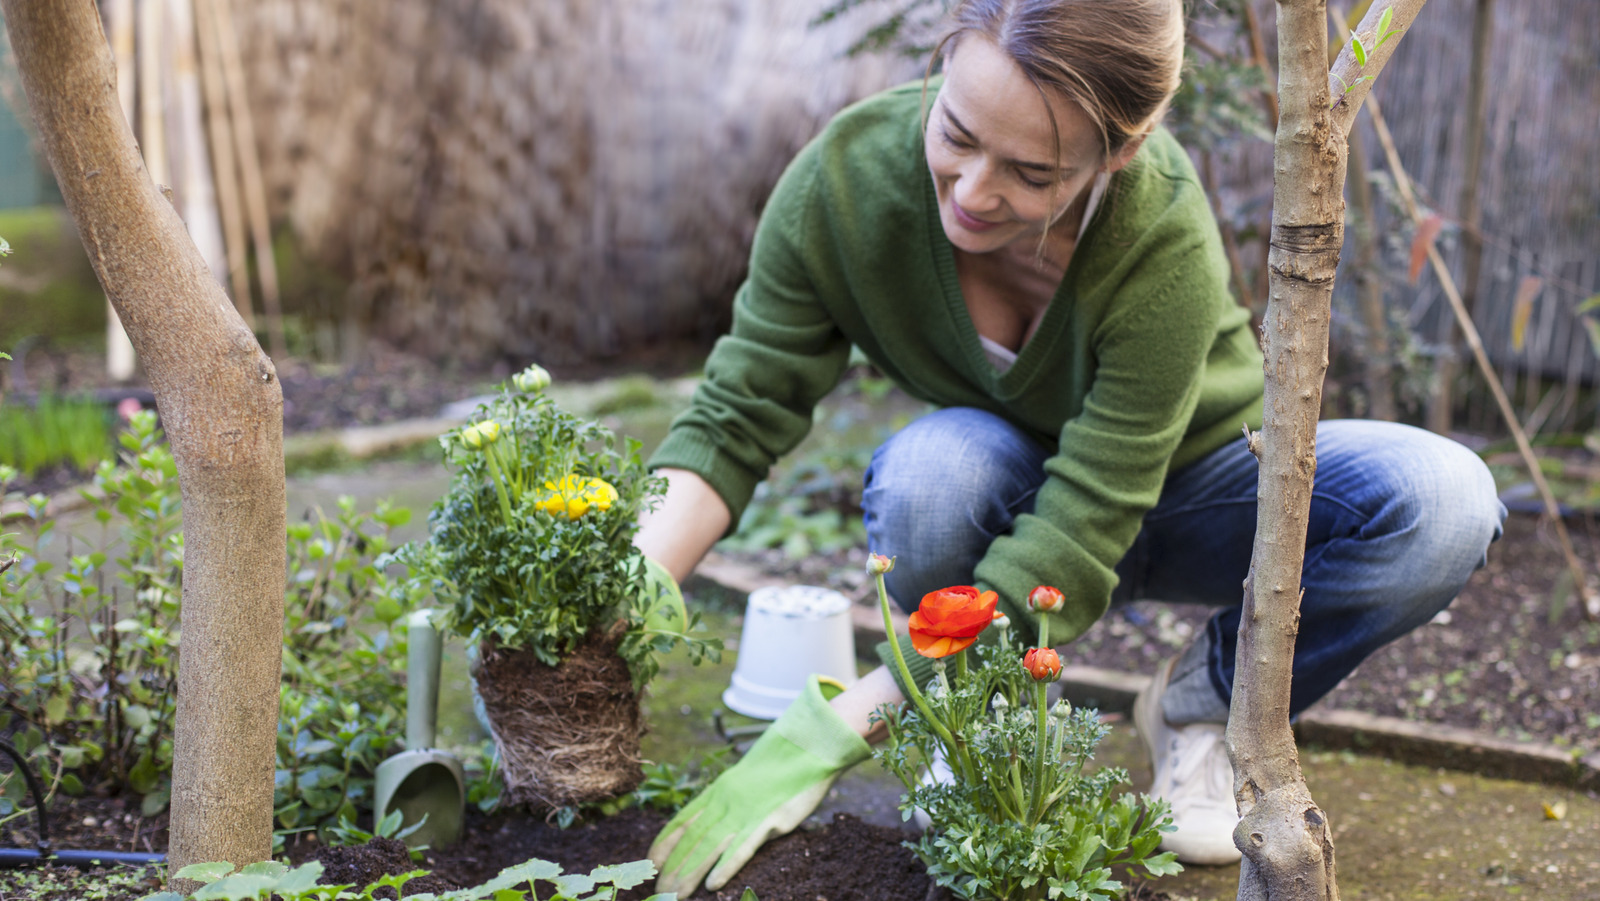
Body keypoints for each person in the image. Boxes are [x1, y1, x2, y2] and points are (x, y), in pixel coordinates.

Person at [633, 0, 1505, 894]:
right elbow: (739, 411)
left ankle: (1198, 705)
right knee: (935, 468)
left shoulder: (1154, 226)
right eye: (956, 133)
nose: (973, 192)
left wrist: (840, 723)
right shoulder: (845, 187)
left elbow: (1086, 522)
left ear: (1118, 153)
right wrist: (622, 592)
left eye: (1032, 172)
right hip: (1013, 495)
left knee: (1445, 501)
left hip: (1197, 491)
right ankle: (981, 715)